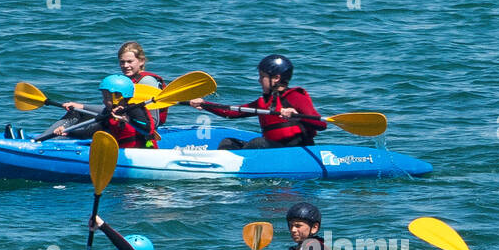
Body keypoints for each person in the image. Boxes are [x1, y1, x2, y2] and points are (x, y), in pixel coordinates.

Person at [187, 54, 326, 150]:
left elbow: (321, 124)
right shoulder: (264, 101)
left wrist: (297, 115)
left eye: (263, 77)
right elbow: (232, 112)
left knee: (258, 143)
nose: (259, 80)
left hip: (296, 150)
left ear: (276, 78)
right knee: (228, 142)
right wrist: (205, 104)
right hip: (272, 149)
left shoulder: (295, 96)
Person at [45, 74, 158, 147]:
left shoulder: (135, 110)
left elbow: (147, 130)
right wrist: (67, 131)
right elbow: (91, 130)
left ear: (118, 97)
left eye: (107, 98)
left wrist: (127, 120)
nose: (103, 101)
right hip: (120, 152)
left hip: (144, 151)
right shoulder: (109, 113)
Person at [116, 41, 168, 125]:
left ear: (141, 61)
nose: (125, 65)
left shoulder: (147, 81)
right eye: (122, 62)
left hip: (141, 131)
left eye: (130, 61)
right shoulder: (126, 81)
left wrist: (128, 120)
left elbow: (153, 121)